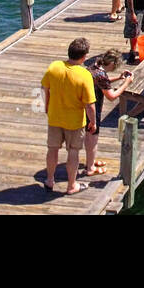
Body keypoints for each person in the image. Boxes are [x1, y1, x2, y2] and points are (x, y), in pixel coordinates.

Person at [41, 37, 96, 194]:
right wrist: (93, 122)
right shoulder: (84, 75)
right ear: (84, 57)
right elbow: (90, 105)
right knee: (73, 152)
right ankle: (72, 185)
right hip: (75, 122)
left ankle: (50, 180)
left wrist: (46, 107)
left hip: (54, 117)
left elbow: (45, 88)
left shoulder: (54, 67)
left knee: (52, 149)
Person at [83, 49, 131, 178]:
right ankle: (90, 168)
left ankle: (90, 161)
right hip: (93, 107)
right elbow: (111, 96)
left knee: (89, 135)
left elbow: (102, 82)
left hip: (84, 105)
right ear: (112, 64)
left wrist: (119, 78)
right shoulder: (101, 75)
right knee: (93, 137)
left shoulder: (93, 66)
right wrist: (126, 83)